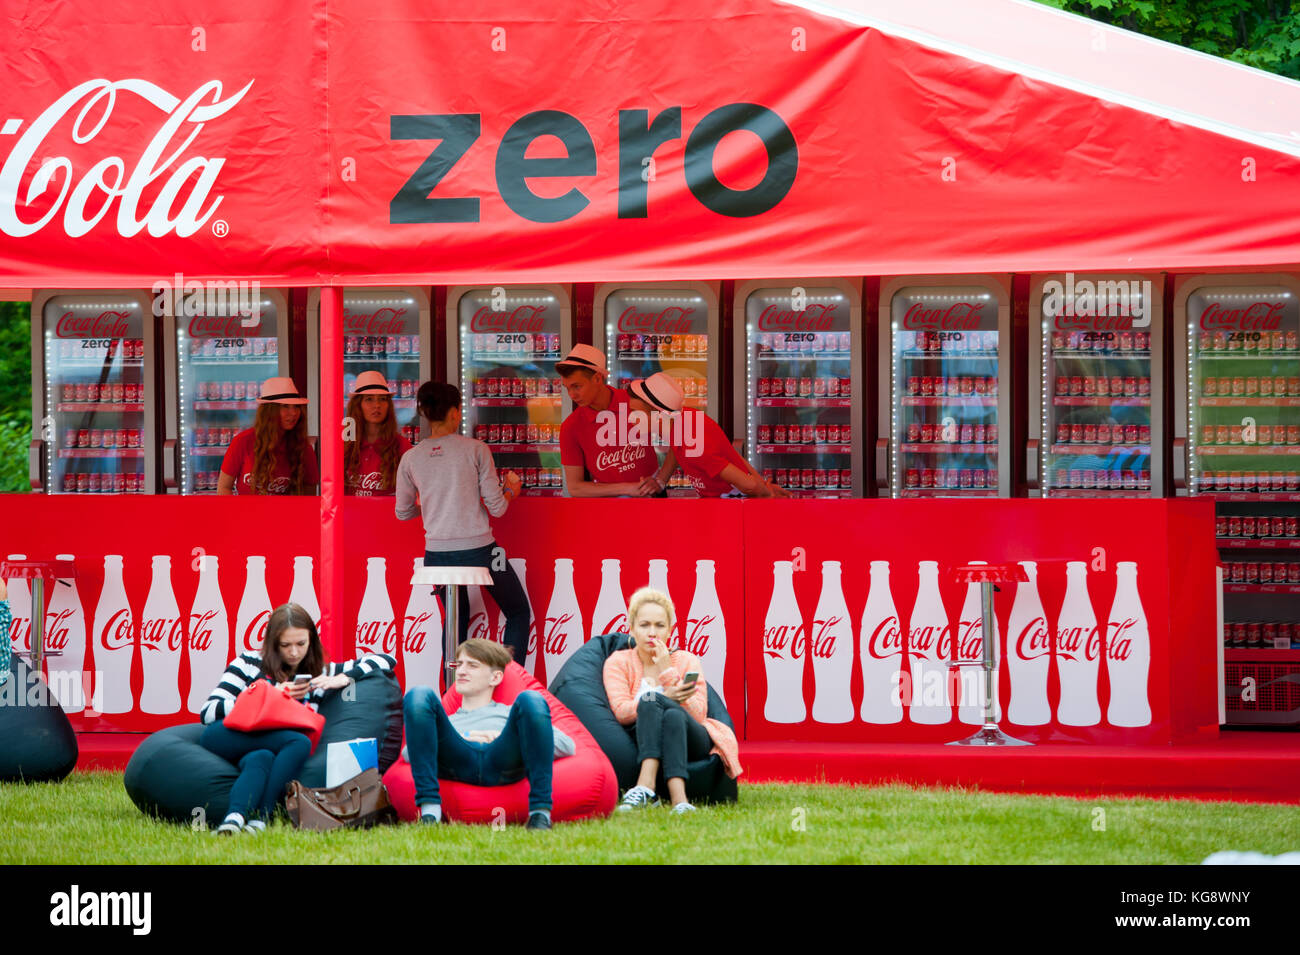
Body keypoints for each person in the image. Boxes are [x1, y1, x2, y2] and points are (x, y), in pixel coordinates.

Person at [199, 602, 396, 834]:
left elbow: (386, 660)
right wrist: (270, 696)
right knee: (299, 742)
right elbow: (208, 712)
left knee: (260, 758)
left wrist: (343, 678)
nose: (294, 652)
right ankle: (264, 816)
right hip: (232, 736)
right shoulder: (248, 663)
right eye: (286, 645)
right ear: (273, 644)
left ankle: (235, 820)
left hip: (267, 749)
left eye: (301, 644)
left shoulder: (320, 674)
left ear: (311, 640)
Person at [395, 382, 531, 664]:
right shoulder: (476, 449)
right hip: (483, 550)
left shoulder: (411, 458)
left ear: (424, 413)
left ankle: (453, 690)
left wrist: (435, 502)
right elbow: (497, 508)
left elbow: (403, 512)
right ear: (456, 412)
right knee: (517, 612)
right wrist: (511, 490)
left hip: (436, 555)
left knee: (456, 620)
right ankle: (508, 682)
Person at [403, 638, 574, 830]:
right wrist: (467, 736)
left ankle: (540, 816)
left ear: (495, 678)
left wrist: (497, 735)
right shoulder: (448, 722)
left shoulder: (512, 713)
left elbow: (566, 745)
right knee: (418, 694)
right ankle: (430, 815)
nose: (461, 671)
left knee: (531, 698)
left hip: (504, 760)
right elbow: (410, 752)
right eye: (458, 665)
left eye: (472, 665)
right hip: (457, 759)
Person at [602, 587, 742, 813]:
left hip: (693, 739)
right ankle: (680, 800)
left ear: (670, 630)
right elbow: (621, 711)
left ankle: (645, 785)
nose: (652, 633)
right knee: (669, 712)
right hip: (642, 735)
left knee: (654, 701)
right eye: (644, 625)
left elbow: (697, 714)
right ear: (632, 628)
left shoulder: (687, 661)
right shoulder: (618, 662)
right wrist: (667, 697)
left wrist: (666, 670)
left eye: (659, 625)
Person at [627, 372, 790, 498]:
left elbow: (749, 486)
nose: (630, 418)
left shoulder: (695, 445)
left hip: (729, 506)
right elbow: (678, 450)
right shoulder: (681, 420)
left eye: (635, 413)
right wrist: (660, 481)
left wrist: (766, 493)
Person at [556, 344, 665, 497]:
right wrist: (627, 488)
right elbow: (575, 487)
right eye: (567, 388)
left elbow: (679, 436)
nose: (571, 395)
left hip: (652, 496)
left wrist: (661, 480)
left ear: (597, 378)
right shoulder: (571, 426)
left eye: (577, 386)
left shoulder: (634, 402)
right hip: (606, 504)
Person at [217, 377, 320, 495]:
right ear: (269, 411)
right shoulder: (242, 441)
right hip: (247, 514)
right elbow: (223, 488)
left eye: (296, 406)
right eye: (285, 406)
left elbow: (309, 496)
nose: (294, 413)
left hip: (288, 514)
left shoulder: (303, 447)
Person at [344, 371, 413, 496]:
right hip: (350, 515)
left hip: (387, 515)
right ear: (358, 405)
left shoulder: (402, 446)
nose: (377, 405)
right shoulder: (344, 445)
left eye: (382, 399)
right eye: (369, 399)